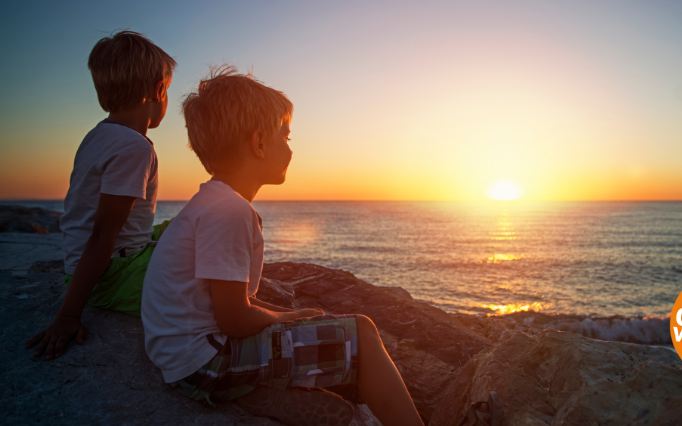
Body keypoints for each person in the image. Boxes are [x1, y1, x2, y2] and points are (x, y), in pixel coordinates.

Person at [140, 66, 424, 426]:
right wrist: (287, 317)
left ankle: (261, 392)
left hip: (184, 358)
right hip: (205, 364)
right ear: (259, 144)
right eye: (286, 137)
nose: (290, 149)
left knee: (318, 325)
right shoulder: (230, 211)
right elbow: (234, 317)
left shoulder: (213, 202)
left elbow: (228, 299)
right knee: (363, 334)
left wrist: (291, 317)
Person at [25, 31, 176, 360]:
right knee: (205, 268)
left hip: (96, 264)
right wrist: (68, 315)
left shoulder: (99, 135)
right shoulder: (134, 148)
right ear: (158, 89)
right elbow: (102, 234)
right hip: (112, 276)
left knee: (190, 225)